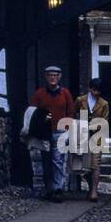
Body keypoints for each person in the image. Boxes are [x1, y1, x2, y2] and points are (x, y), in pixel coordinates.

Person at [30, 65, 75, 202]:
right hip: (44, 132)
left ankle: (58, 189)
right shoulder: (40, 94)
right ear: (46, 77)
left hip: (60, 131)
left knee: (58, 160)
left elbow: (71, 111)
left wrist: (67, 127)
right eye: (50, 75)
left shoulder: (65, 93)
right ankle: (48, 189)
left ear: (59, 77)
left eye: (55, 75)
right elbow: (33, 112)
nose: (52, 78)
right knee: (46, 160)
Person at [74, 76, 110, 203]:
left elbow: (104, 121)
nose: (96, 93)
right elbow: (74, 114)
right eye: (94, 90)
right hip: (82, 135)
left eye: (99, 91)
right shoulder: (80, 100)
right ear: (90, 88)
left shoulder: (104, 104)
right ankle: (90, 187)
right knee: (83, 164)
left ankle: (94, 191)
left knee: (96, 163)